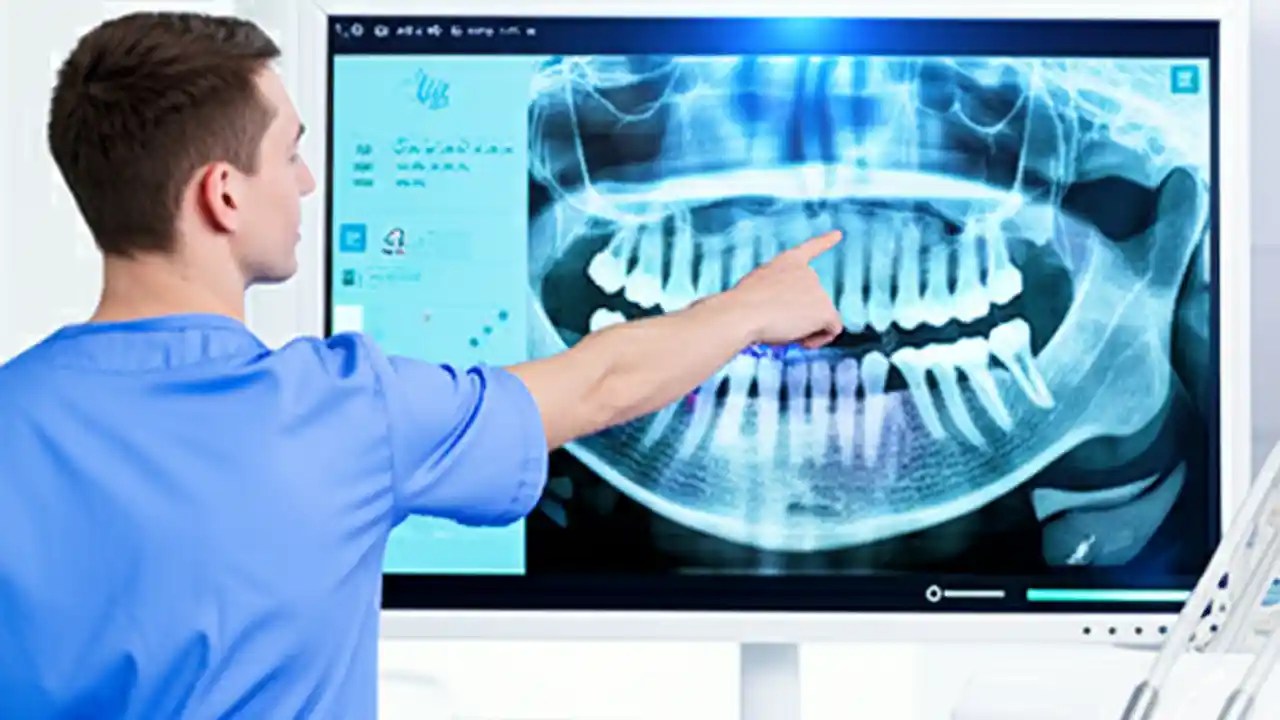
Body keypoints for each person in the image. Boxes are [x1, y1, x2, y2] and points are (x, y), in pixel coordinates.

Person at [0, 11, 845, 720]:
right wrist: (756, 306)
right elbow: (600, 383)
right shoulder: (347, 414)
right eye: (290, 151)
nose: (304, 181)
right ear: (222, 194)